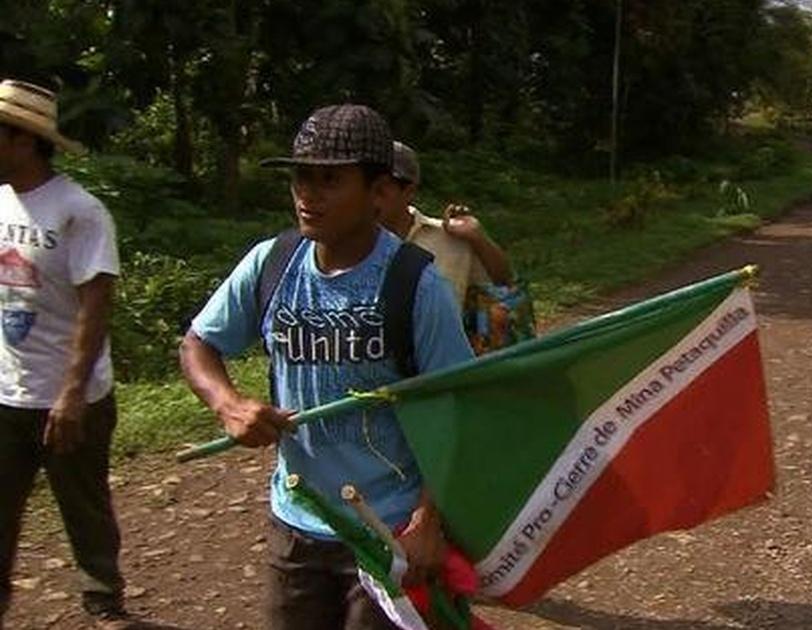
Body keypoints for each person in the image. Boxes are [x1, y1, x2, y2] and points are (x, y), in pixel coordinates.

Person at [179, 105, 474, 630]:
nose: (307, 195)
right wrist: (229, 405)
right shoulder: (271, 263)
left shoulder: (415, 285)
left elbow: (458, 405)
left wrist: (430, 520)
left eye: (330, 180)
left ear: (380, 192)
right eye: (301, 178)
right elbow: (199, 344)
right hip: (296, 521)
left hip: (387, 529)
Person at [0, 80, 127, 627]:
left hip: (71, 394)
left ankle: (102, 596)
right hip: (7, 390)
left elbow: (96, 302)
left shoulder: (80, 211)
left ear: (23, 140)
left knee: (84, 505)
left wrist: (72, 391)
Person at [378, 141, 512, 307]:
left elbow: (503, 283)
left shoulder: (450, 238)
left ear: (409, 191)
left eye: (381, 189)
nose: (370, 198)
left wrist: (478, 238)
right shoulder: (348, 242)